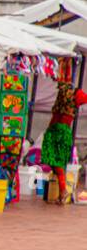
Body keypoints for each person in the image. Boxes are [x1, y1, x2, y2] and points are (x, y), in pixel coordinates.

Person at [40, 76, 87, 204]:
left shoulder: (68, 95)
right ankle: (62, 190)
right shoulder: (75, 94)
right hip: (60, 131)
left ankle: (63, 191)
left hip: (56, 130)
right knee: (58, 162)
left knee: (56, 162)